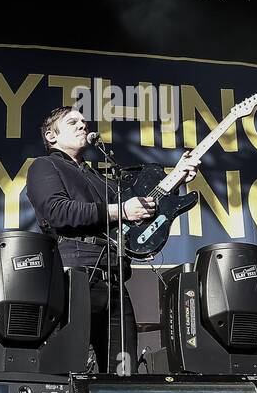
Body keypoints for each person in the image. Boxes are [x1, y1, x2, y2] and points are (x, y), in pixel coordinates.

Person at [25, 106, 199, 374]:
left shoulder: (99, 178)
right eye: (73, 122)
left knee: (123, 367)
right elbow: (57, 212)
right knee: (67, 366)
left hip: (114, 278)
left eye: (84, 121)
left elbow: (138, 213)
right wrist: (120, 210)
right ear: (51, 136)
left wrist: (176, 179)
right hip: (74, 276)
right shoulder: (45, 166)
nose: (83, 125)